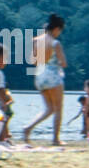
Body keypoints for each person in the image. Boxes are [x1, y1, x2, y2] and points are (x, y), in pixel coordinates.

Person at [22, 15, 67, 145]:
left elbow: (32, 60)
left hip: (39, 75)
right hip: (52, 76)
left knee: (49, 109)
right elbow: (63, 63)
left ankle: (28, 128)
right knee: (58, 108)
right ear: (57, 29)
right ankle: (55, 139)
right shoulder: (55, 43)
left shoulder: (35, 40)